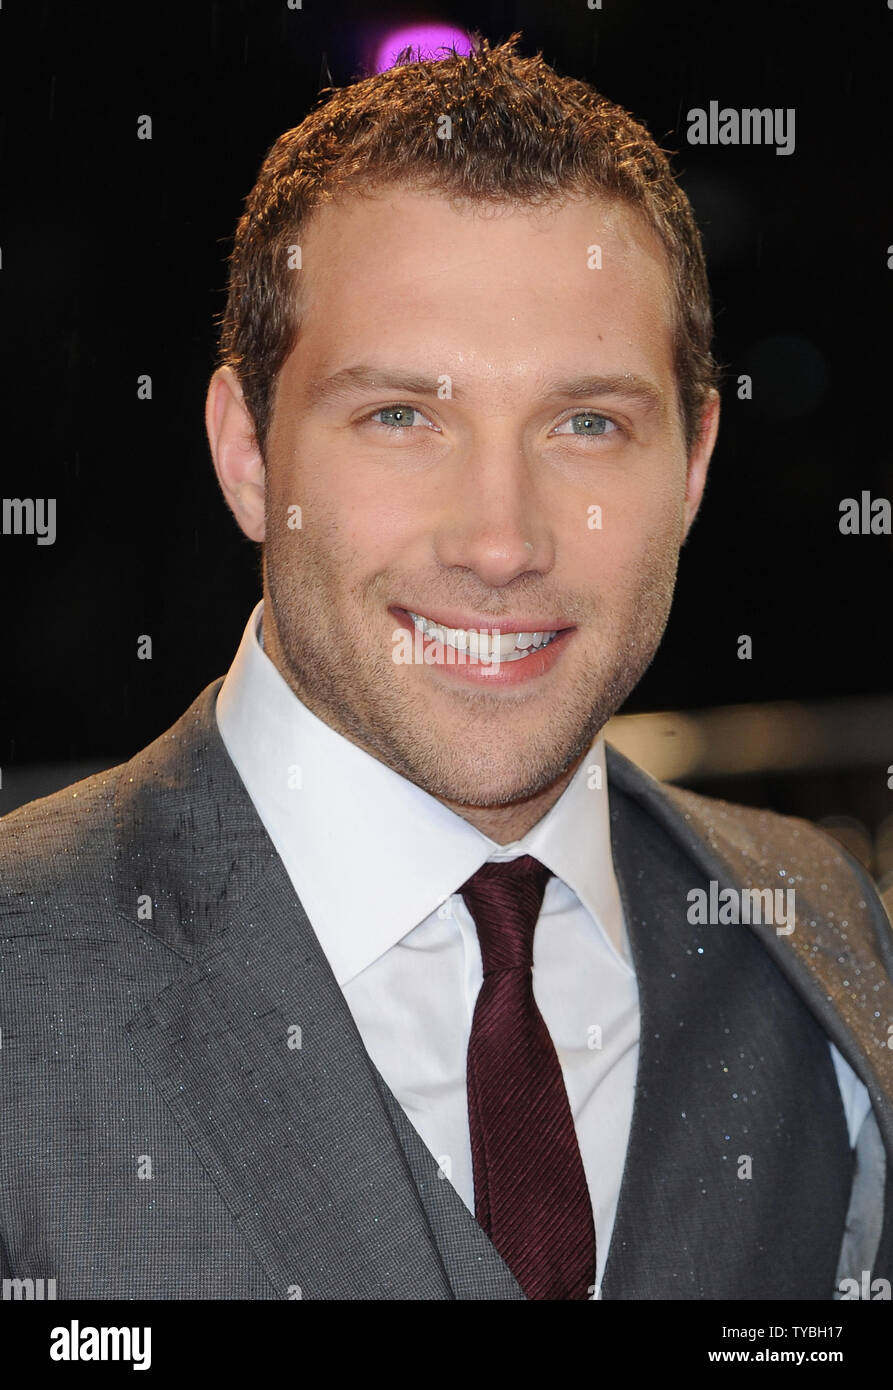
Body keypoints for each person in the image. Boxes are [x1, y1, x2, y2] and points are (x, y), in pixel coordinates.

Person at [1, 35, 892, 1302]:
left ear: (690, 463)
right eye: (402, 417)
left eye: (586, 423)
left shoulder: (824, 931)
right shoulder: (22, 978)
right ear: (246, 454)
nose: (499, 541)